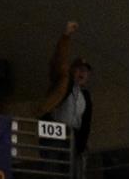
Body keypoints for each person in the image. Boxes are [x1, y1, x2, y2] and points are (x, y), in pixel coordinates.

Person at [39, 22, 93, 153]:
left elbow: (85, 123)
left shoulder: (85, 97)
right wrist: (66, 36)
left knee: (70, 165)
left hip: (73, 138)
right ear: (72, 70)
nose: (82, 72)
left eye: (85, 71)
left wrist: (82, 144)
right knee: (53, 163)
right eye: (79, 69)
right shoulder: (62, 83)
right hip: (55, 134)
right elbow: (59, 60)